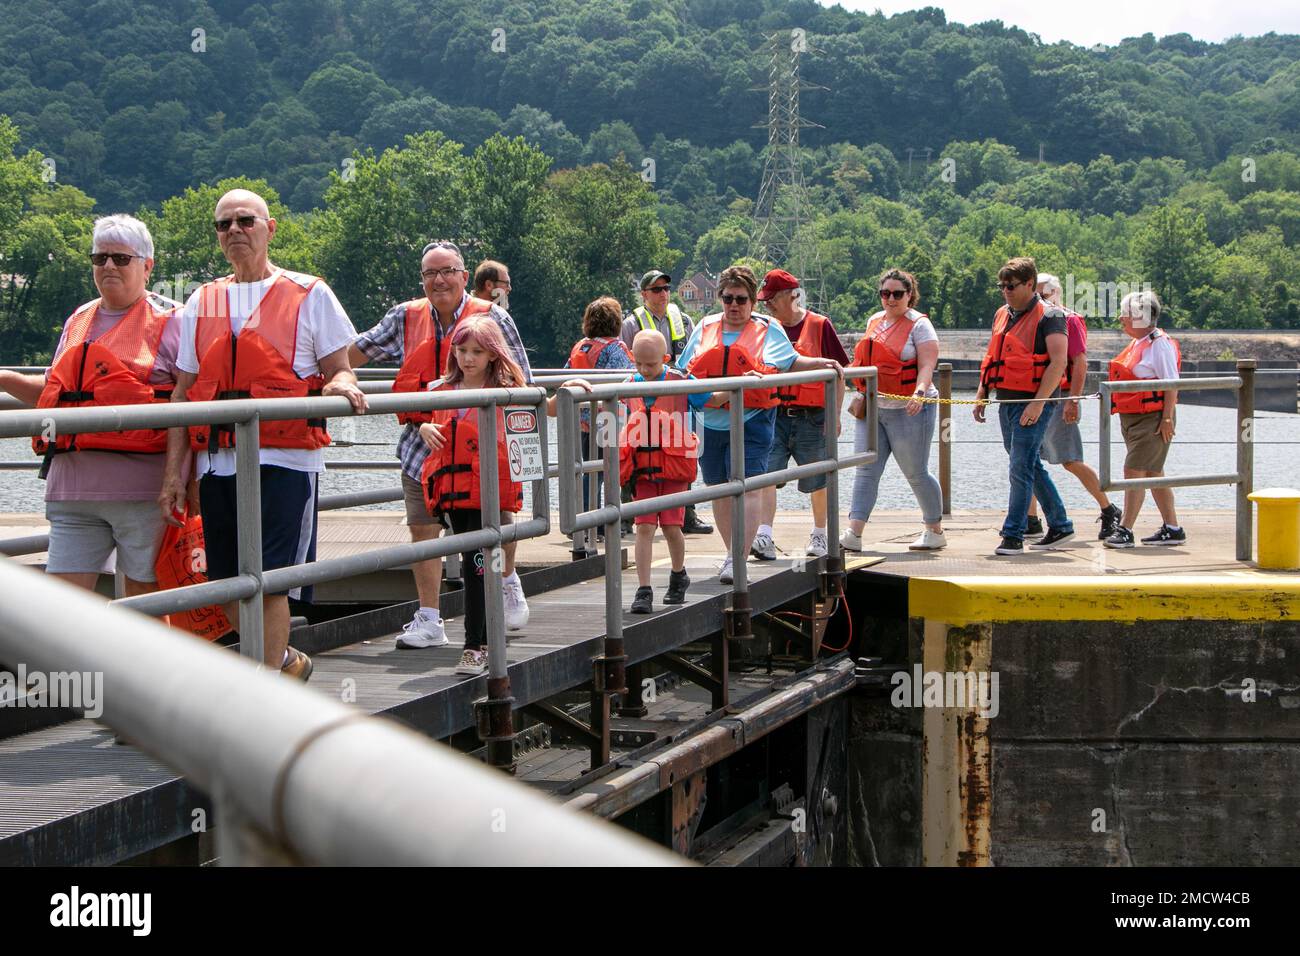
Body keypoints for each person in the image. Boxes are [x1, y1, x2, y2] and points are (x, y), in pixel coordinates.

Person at [159, 189, 368, 681]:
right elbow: (184, 393)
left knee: (271, 582)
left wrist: (340, 383)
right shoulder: (202, 299)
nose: (234, 230)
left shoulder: (309, 292)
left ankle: (265, 688)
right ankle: (285, 664)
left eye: (245, 220)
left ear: (269, 228)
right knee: (227, 583)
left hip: (286, 460)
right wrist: (175, 473)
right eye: (224, 224)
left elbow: (340, 368)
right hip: (218, 462)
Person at [349, 241, 533, 648]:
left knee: (497, 528)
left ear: (465, 276)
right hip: (423, 444)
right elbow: (355, 351)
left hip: (482, 445)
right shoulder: (404, 316)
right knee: (422, 528)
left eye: (447, 271)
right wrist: (331, 375)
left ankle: (506, 582)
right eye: (430, 273)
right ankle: (430, 618)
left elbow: (524, 381)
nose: (439, 280)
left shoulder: (492, 317)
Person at [0, 215, 183, 600]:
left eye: (121, 258)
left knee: (145, 606)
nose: (108, 267)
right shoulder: (78, 320)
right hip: (72, 492)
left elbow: (190, 404)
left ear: (147, 266)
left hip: (144, 494)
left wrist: (180, 480)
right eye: (99, 259)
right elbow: (54, 393)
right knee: (65, 609)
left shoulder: (174, 321)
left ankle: (144, 664)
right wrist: (4, 377)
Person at [678, 264, 841, 583]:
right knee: (719, 488)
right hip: (711, 420)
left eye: (741, 299)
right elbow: (686, 371)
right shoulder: (705, 326)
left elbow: (791, 361)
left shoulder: (768, 328)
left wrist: (819, 363)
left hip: (752, 420)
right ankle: (730, 552)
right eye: (727, 299)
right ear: (720, 299)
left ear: (752, 301)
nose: (734, 306)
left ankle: (736, 559)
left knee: (750, 485)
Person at [418, 316, 527, 676]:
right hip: (458, 497)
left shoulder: (507, 389)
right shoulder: (443, 389)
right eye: (462, 350)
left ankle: (475, 645)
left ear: (492, 355)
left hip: (490, 493)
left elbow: (543, 411)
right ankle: (481, 638)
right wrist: (424, 427)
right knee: (476, 566)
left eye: (477, 352)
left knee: (478, 567)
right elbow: (425, 419)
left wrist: (570, 389)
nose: (467, 358)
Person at [973, 256, 1074, 556]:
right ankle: (1060, 523)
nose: (1006, 291)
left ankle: (1013, 534)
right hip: (1007, 400)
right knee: (1027, 463)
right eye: (1002, 286)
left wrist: (1038, 405)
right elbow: (993, 357)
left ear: (1030, 284)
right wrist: (982, 392)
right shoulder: (1002, 314)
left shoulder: (1051, 316)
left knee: (1019, 466)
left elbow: (1058, 363)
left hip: (1034, 402)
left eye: (1012, 286)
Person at [841, 269, 947, 552]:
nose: (890, 299)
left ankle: (934, 530)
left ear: (909, 295)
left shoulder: (920, 326)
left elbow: (926, 365)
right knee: (865, 469)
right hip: (874, 408)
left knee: (915, 472)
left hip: (911, 409)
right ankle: (854, 532)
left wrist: (919, 392)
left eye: (897, 294)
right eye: (885, 293)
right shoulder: (873, 321)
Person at [752, 269, 850, 561]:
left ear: (790, 296)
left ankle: (820, 532)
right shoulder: (765, 328)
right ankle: (764, 534)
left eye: (771, 299)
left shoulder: (820, 325)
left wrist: (835, 415)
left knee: (817, 478)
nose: (766, 305)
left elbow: (839, 373)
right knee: (767, 475)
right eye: (764, 300)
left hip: (813, 415)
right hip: (774, 413)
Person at [1025, 273, 1121, 541]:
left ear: (1055, 293)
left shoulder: (1070, 320)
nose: (1038, 300)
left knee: (1070, 459)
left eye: (1042, 295)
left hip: (1060, 396)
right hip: (1038, 397)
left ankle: (1109, 508)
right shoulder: (1031, 319)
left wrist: (1073, 400)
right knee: (1028, 457)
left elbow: (1080, 362)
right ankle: (1031, 519)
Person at [621, 330, 709, 613]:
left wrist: (744, 385)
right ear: (632, 359)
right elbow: (604, 403)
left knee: (672, 527)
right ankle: (643, 589)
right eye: (639, 365)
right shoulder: (628, 384)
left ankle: (678, 575)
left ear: (666, 359)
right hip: (642, 471)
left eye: (652, 365)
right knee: (644, 527)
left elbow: (712, 398)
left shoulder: (682, 382)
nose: (645, 371)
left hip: (673, 469)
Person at [622, 270, 711, 535]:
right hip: (643, 406)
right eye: (656, 289)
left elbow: (695, 355)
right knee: (638, 456)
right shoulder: (631, 323)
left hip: (678, 404)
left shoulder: (683, 319)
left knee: (682, 455)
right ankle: (630, 515)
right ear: (644, 294)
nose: (663, 294)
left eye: (665, 289)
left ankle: (687, 515)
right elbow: (625, 361)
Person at [1103, 290, 1184, 548]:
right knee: (1152, 472)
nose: (1120, 319)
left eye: (1125, 314)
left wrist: (1167, 418)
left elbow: (1171, 382)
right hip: (1134, 418)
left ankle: (1125, 529)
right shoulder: (1139, 343)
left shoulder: (1159, 343)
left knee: (1134, 470)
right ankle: (1173, 528)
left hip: (1153, 418)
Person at [564, 297, 635, 522]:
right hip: (607, 420)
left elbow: (567, 373)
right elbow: (626, 378)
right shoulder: (616, 348)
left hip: (582, 420)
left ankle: (586, 515)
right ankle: (597, 519)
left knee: (590, 470)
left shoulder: (581, 346)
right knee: (605, 471)